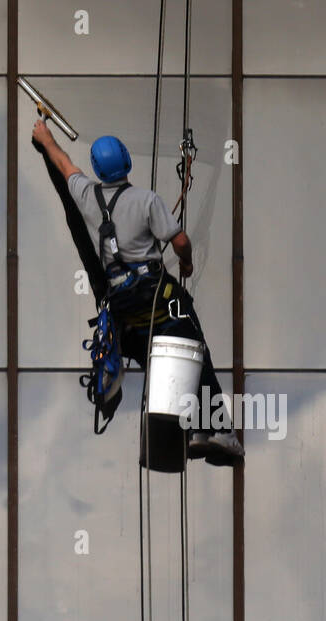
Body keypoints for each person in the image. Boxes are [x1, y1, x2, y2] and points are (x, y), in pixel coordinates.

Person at [32, 121, 243, 466]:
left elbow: (64, 163)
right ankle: (219, 431)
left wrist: (45, 138)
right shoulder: (146, 200)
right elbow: (180, 241)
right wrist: (187, 262)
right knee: (194, 352)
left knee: (158, 360)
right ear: (128, 162)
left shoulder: (86, 196)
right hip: (157, 298)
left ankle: (194, 431)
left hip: (124, 312)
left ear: (98, 170)